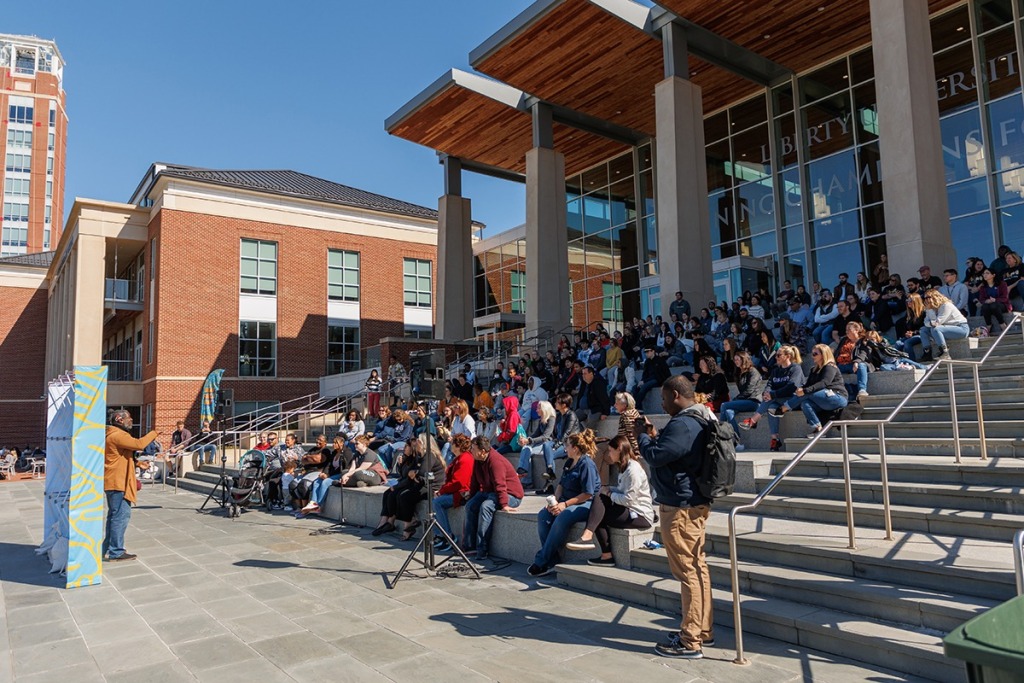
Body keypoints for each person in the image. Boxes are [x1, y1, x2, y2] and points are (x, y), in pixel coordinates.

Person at [636, 375, 713, 659]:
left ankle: (690, 640)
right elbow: (673, 453)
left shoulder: (683, 423)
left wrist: (642, 436)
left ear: (677, 395)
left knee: (687, 572)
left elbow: (656, 457)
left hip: (680, 508)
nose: (663, 404)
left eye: (664, 398)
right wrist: (654, 436)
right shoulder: (699, 418)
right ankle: (702, 630)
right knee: (697, 567)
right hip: (692, 503)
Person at [566, 434, 654, 565]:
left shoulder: (633, 469)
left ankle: (598, 547)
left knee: (598, 514)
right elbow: (622, 490)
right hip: (630, 509)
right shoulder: (625, 467)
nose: (609, 454)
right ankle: (598, 548)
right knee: (598, 507)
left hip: (640, 515)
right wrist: (608, 489)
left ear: (619, 449)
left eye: (610, 451)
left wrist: (609, 493)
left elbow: (629, 499)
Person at [528, 429, 601, 577]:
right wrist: (554, 502)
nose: (565, 449)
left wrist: (565, 505)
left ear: (575, 448)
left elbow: (587, 493)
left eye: (567, 446)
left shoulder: (586, 464)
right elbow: (561, 485)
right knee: (543, 515)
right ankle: (553, 560)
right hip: (567, 501)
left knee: (563, 516)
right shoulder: (569, 462)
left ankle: (541, 561)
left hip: (586, 503)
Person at [103, 409, 158, 562]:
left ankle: (107, 548)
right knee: (120, 516)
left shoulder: (112, 434)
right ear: (119, 419)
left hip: (115, 481)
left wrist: (138, 463)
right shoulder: (117, 435)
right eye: (129, 418)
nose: (131, 420)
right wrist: (154, 433)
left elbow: (121, 457)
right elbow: (138, 444)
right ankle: (116, 551)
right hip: (118, 482)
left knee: (114, 516)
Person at [462, 436, 525, 561]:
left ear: (482, 451)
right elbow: (475, 482)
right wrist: (471, 497)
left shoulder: (496, 461)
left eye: (473, 449)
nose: (471, 451)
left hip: (510, 495)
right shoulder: (478, 460)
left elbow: (500, 484)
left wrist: (504, 505)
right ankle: (469, 546)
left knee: (486, 506)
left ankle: (482, 548)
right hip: (491, 492)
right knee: (470, 506)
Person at [372, 436, 444, 540]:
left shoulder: (429, 456)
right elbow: (407, 475)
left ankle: (407, 525)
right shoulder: (419, 456)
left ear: (423, 443)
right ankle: (392, 522)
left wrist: (414, 474)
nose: (416, 444)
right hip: (421, 483)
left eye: (418, 441)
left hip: (430, 486)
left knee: (403, 496)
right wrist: (402, 466)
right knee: (393, 494)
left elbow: (420, 473)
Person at [738, 346, 806, 452]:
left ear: (788, 356)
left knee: (770, 400)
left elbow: (791, 387)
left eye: (779, 355)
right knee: (771, 408)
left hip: (793, 400)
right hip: (778, 400)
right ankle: (775, 439)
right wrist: (767, 392)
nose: (776, 357)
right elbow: (769, 384)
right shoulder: (776, 370)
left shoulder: (795, 368)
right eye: (775, 355)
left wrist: (772, 395)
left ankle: (753, 420)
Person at [772, 344, 848, 438]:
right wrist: (799, 390)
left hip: (838, 397)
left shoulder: (830, 367)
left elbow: (824, 383)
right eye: (812, 354)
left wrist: (804, 391)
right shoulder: (813, 369)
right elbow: (807, 386)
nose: (812, 356)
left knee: (808, 393)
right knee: (805, 403)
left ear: (823, 354)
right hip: (822, 399)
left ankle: (783, 408)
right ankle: (818, 429)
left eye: (815, 354)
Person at [432, 434, 475, 551]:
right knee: (433, 502)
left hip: (462, 494)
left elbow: (458, 483)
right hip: (458, 491)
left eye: (453, 444)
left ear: (458, 446)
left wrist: (441, 491)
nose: (451, 445)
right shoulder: (460, 458)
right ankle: (440, 535)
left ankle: (448, 537)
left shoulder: (465, 459)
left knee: (437, 503)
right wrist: (442, 491)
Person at [718, 352, 764, 450]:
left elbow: (749, 391)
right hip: (744, 400)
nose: (736, 362)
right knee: (728, 412)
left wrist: (735, 399)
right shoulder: (738, 372)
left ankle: (719, 437)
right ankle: (737, 442)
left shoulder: (753, 371)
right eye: (734, 360)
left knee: (724, 405)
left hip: (754, 401)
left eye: (737, 359)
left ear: (744, 359)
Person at [919, 289, 970, 361]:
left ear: (935, 297)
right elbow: (926, 322)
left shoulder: (946, 305)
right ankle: (927, 353)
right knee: (923, 330)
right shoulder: (930, 308)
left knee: (936, 329)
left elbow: (938, 322)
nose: (926, 300)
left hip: (961, 328)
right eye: (924, 298)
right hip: (944, 328)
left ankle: (945, 353)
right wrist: (930, 321)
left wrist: (931, 317)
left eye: (928, 297)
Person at [516, 400, 556, 489]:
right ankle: (523, 473)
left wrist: (529, 440)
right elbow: (536, 434)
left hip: (549, 444)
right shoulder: (541, 419)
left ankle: (524, 475)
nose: (536, 410)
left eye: (538, 408)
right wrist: (526, 440)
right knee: (526, 448)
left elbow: (546, 436)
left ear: (544, 409)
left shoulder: (551, 419)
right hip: (540, 442)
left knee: (529, 450)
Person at [979, 267, 1011, 335]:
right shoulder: (983, 287)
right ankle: (989, 325)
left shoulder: (1002, 284)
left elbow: (1005, 298)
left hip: (1001, 305)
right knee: (984, 306)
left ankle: (1002, 323)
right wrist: (986, 301)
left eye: (987, 273)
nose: (985, 275)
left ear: (993, 275)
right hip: (989, 306)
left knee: (994, 305)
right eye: (984, 273)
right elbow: (981, 299)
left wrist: (995, 300)